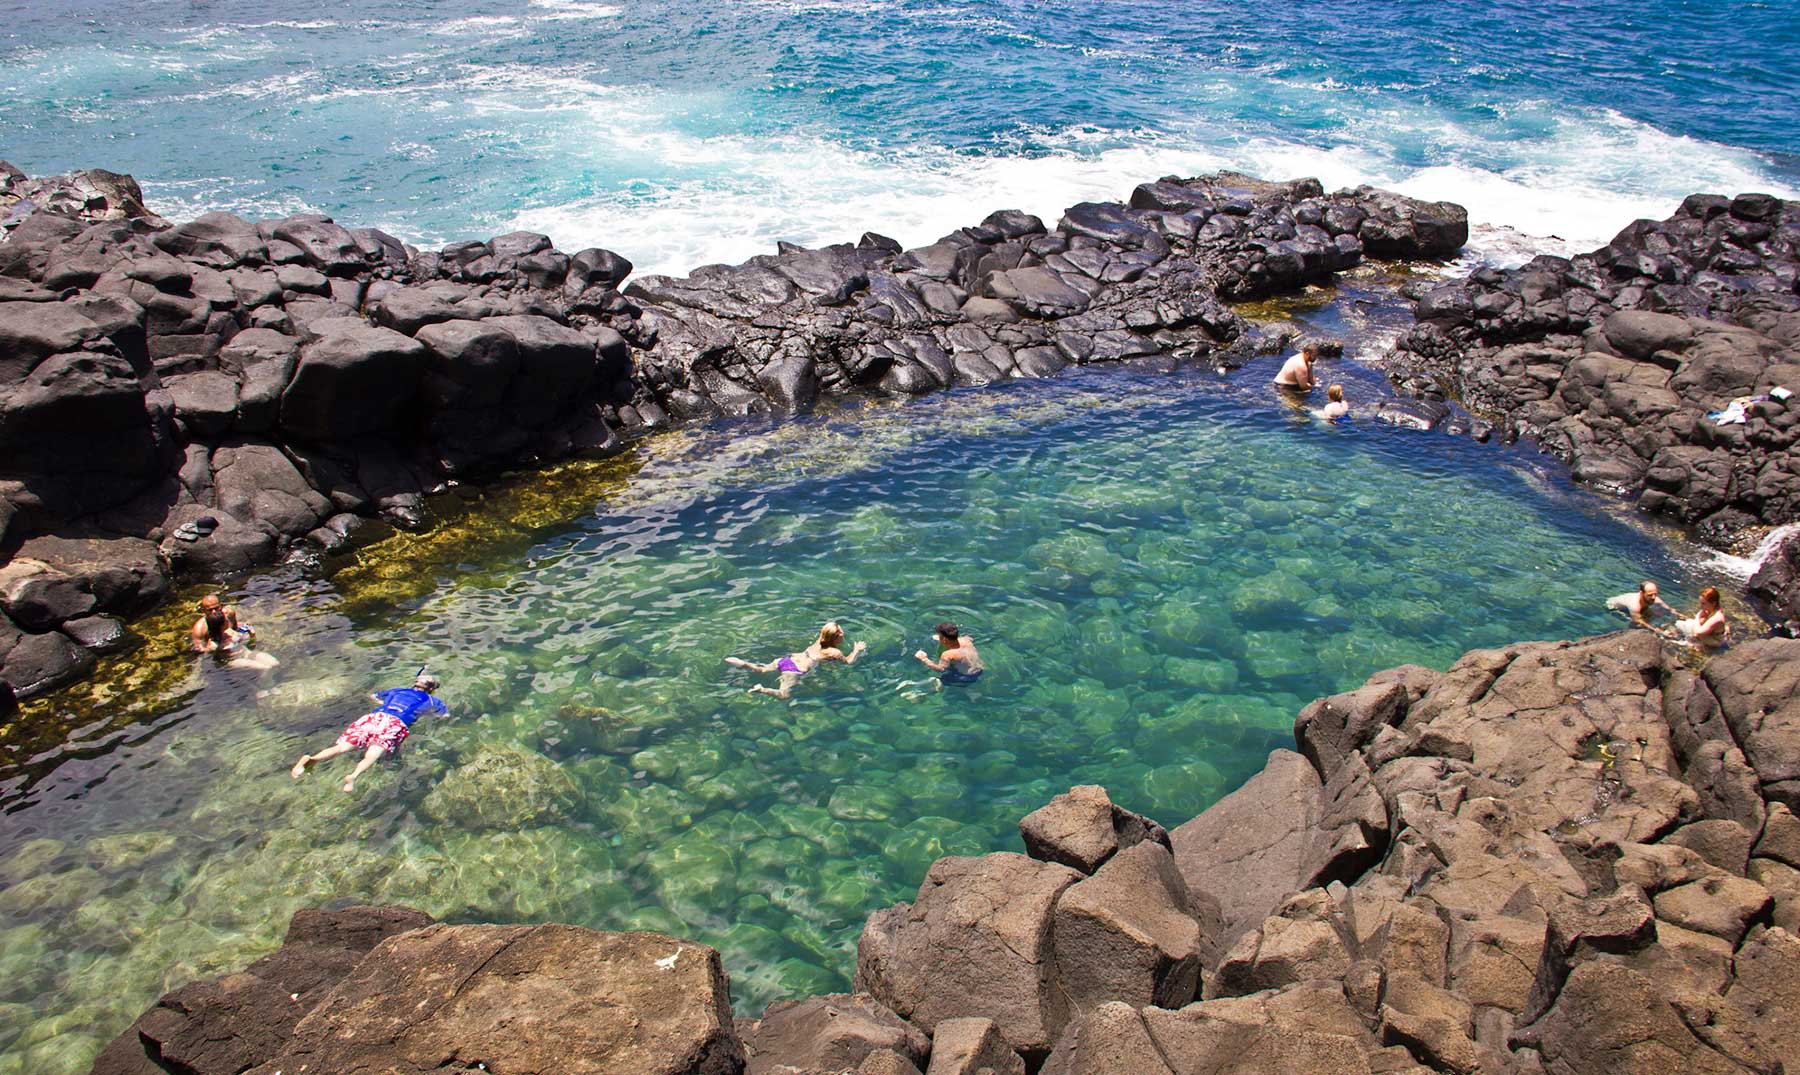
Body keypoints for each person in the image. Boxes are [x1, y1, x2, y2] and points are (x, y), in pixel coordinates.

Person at [291, 672, 447, 792]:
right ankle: (353, 776)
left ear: (415, 683)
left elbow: (373, 696)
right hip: (394, 723)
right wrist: (427, 713)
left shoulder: (397, 691)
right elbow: (444, 716)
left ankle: (312, 759)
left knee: (342, 747)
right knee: (373, 753)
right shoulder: (433, 701)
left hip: (374, 717)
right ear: (431, 690)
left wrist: (385, 704)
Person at [726, 622, 866, 698]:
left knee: (762, 670)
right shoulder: (834, 652)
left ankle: (742, 663)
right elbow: (848, 662)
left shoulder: (820, 639)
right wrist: (856, 650)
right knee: (784, 695)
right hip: (793, 671)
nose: (843, 634)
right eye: (840, 632)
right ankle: (762, 690)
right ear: (834, 638)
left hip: (786, 660)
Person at [189, 593, 277, 670]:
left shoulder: (229, 614)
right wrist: (210, 649)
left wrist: (248, 634)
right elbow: (199, 650)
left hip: (241, 650)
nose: (214, 612)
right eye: (209, 610)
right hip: (228, 658)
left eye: (216, 608)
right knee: (265, 668)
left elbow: (235, 629)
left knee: (274, 663)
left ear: (221, 606)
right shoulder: (200, 629)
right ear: (203, 610)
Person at [914, 622, 984, 685]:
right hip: (980, 669)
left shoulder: (948, 655)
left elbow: (940, 669)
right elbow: (960, 640)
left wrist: (924, 659)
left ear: (944, 639)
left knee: (943, 680)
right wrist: (942, 639)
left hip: (966, 677)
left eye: (940, 636)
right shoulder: (966, 640)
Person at [1606, 580, 1676, 627]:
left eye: (1655, 594)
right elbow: (1639, 621)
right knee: (1637, 624)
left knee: (1655, 615)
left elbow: (1669, 609)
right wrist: (1658, 631)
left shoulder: (1653, 598)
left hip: (1636, 606)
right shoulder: (1634, 606)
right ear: (1642, 593)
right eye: (1650, 595)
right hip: (1613, 606)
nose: (1653, 597)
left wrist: (1679, 615)